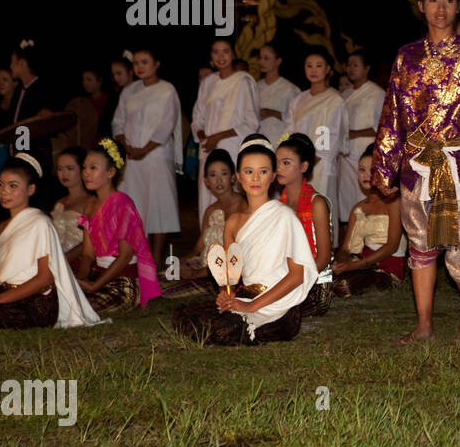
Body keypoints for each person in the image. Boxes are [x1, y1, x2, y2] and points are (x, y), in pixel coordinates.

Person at [373, 0, 460, 343]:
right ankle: (424, 324)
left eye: (448, 0)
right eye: (433, 0)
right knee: (420, 244)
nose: (440, 8)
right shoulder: (406, 56)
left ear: (459, 6)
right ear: (420, 6)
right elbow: (392, 115)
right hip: (416, 167)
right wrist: (385, 168)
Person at [172, 139, 317, 345]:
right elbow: (229, 275)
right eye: (249, 171)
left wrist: (252, 306)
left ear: (273, 176)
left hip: (278, 301)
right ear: (239, 177)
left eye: (263, 171)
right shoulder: (233, 222)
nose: (255, 178)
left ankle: (260, 325)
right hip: (248, 295)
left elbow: (297, 275)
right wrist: (226, 296)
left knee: (222, 331)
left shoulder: (285, 216)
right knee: (183, 316)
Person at [0, 155, 104, 330]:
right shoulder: (3, 226)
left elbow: (45, 278)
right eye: (0, 185)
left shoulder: (40, 222)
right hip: (6, 295)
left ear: (31, 189)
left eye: (13, 186)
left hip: (35, 302)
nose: (4, 191)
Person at [111, 47, 182, 266]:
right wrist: (126, 145)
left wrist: (146, 148)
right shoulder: (129, 91)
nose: (140, 67)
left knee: (159, 205)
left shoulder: (167, 90)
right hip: (133, 157)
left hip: (157, 156)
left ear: (157, 64)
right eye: (136, 63)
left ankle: (157, 258)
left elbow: (166, 123)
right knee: (136, 206)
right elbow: (118, 121)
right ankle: (137, 257)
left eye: (145, 62)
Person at [76, 138, 162, 313]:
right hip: (99, 274)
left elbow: (125, 256)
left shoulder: (123, 204)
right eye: (84, 167)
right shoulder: (90, 205)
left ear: (111, 172)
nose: (86, 173)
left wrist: (93, 287)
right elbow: (87, 254)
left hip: (123, 280)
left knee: (82, 310)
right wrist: (79, 282)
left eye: (93, 168)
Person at [191, 38, 260, 222]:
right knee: (208, 197)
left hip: (231, 146)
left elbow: (251, 121)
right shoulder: (208, 82)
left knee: (233, 196)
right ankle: (209, 244)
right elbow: (198, 116)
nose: (221, 56)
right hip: (208, 148)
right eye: (216, 52)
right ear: (211, 57)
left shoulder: (243, 82)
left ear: (233, 54)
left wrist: (219, 136)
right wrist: (202, 134)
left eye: (225, 51)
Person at [162, 148, 247, 297]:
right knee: (163, 277)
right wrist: (182, 261)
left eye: (224, 174)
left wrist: (196, 273)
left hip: (228, 270)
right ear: (206, 181)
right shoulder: (210, 211)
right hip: (205, 264)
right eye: (213, 175)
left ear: (233, 177)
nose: (219, 180)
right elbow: (199, 248)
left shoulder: (242, 206)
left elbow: (239, 254)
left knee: (170, 289)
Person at [283, 48, 348, 223]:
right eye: (309, 66)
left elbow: (331, 134)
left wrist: (310, 161)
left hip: (320, 163)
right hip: (298, 163)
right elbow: (288, 131)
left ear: (328, 69)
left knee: (320, 208)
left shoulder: (334, 100)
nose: (313, 70)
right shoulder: (298, 100)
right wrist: (288, 158)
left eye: (319, 66)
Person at [332, 145, 406, 297]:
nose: (366, 175)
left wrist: (354, 266)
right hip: (362, 262)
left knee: (346, 286)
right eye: (361, 170)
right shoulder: (359, 208)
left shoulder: (394, 201)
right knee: (324, 277)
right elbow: (347, 248)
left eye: (372, 170)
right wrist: (339, 263)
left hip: (388, 266)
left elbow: (392, 247)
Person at [276, 132, 334, 318]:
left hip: (314, 284)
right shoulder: (278, 205)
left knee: (275, 307)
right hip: (287, 278)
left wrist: (293, 282)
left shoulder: (316, 203)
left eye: (286, 163)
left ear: (304, 166)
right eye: (276, 162)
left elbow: (324, 258)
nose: (279, 168)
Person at [338, 49, 386, 228]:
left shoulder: (376, 93)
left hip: (364, 155)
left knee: (364, 195)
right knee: (346, 199)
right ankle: (348, 234)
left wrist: (354, 134)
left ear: (366, 68)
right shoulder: (344, 94)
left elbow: (381, 127)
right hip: (345, 155)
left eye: (355, 65)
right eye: (349, 65)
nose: (351, 69)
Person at [7, 40, 54, 178]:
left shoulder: (42, 88)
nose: (10, 66)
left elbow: (44, 123)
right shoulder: (19, 91)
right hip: (18, 155)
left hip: (34, 158)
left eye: (12, 62)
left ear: (22, 63)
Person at [50, 146, 90, 267]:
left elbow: (88, 243)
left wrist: (62, 262)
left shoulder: (91, 202)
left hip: (78, 263)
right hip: (56, 260)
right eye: (60, 169)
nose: (64, 173)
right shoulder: (59, 203)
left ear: (83, 170)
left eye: (70, 168)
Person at [255, 42, 300, 149]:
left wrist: (273, 113)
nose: (261, 62)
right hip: (258, 142)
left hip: (279, 142)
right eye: (260, 58)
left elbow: (297, 120)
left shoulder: (290, 89)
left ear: (278, 61)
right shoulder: (255, 87)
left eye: (266, 58)